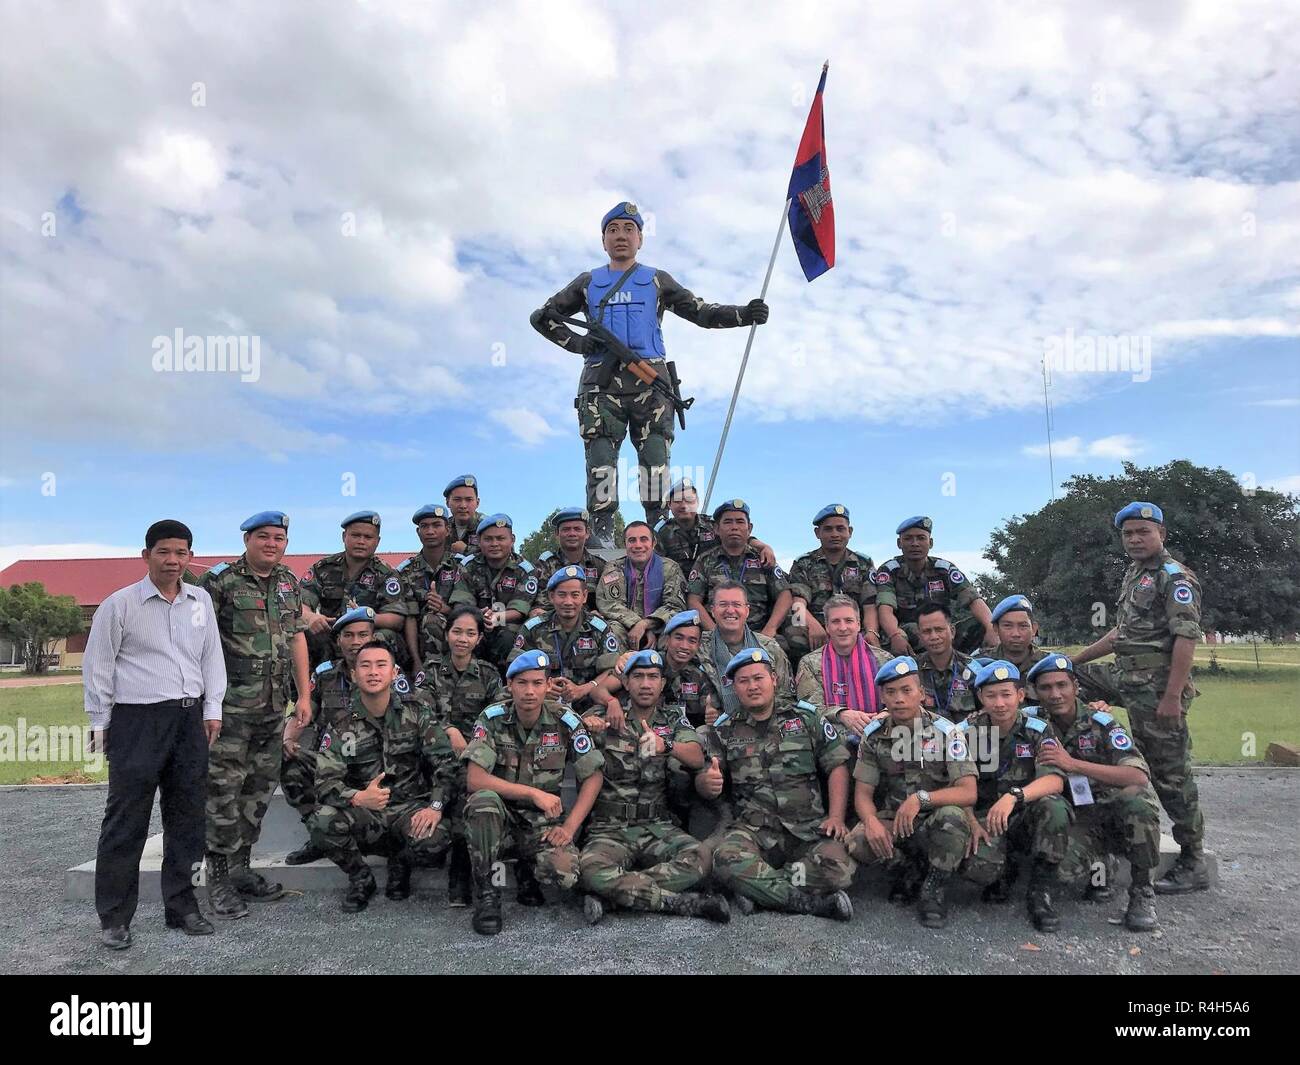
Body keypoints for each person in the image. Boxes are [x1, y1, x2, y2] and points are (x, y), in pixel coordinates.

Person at [529, 201, 770, 545]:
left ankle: (657, 531)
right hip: (600, 388)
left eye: (629, 230)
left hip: (651, 384)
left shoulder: (656, 280)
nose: (621, 237)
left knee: (655, 463)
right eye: (613, 231)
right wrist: (580, 345)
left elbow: (699, 312)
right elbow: (543, 317)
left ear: (640, 238)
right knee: (601, 462)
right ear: (603, 241)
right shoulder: (588, 282)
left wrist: (743, 314)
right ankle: (602, 536)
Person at [83, 519, 226, 948]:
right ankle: (114, 917)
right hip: (136, 721)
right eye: (164, 552)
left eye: (181, 553)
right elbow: (99, 665)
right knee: (126, 820)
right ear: (146, 555)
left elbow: (211, 658)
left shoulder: (200, 602)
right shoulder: (120, 604)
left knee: (187, 819)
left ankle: (181, 907)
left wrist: (212, 708)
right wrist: (99, 722)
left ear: (189, 557)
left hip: (189, 720)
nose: (173, 560)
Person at [1073, 501, 1208, 895]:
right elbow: (1118, 635)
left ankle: (1193, 858)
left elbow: (1186, 638)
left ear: (1161, 534)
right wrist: (1072, 662)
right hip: (1126, 676)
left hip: (1156, 688)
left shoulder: (1174, 577)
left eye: (1142, 532)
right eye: (1128, 533)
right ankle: (1086, 744)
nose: (1134, 539)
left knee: (1170, 773)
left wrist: (1170, 698)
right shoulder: (1135, 574)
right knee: (1060, 681)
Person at [199, 511, 312, 918]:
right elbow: (199, 640)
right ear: (246, 538)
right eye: (263, 536)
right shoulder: (220, 581)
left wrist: (304, 694)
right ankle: (218, 880)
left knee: (258, 790)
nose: (271, 543)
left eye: (279, 537)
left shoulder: (288, 583)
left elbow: (297, 636)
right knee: (222, 792)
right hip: (229, 708)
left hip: (272, 707)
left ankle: (243, 870)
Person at [695, 648, 854, 920]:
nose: (752, 686)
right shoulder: (723, 729)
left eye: (758, 678)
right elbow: (706, 775)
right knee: (725, 859)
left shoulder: (806, 717)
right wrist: (705, 782)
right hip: (754, 831)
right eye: (744, 681)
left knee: (841, 868)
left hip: (807, 828)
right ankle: (807, 904)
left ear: (774, 679)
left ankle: (759, 889)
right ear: (735, 687)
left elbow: (837, 764)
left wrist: (837, 816)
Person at [578, 649, 729, 925]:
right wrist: (585, 727)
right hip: (610, 828)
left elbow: (696, 755)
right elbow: (564, 735)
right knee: (590, 869)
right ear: (625, 682)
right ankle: (679, 903)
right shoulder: (603, 715)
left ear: (661, 684)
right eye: (638, 677)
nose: (645, 684)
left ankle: (614, 896)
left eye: (653, 677)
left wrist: (666, 745)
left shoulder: (672, 718)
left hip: (657, 825)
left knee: (701, 858)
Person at [462, 650, 605, 935]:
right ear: (509, 685)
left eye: (537, 683)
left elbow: (593, 776)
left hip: (541, 824)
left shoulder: (565, 720)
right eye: (522, 683)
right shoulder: (492, 719)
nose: (530, 691)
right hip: (499, 819)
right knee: (483, 802)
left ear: (547, 685)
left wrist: (569, 827)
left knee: (565, 872)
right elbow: (475, 779)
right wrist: (532, 793)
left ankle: (528, 869)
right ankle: (488, 895)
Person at [310, 642, 457, 912]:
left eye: (381, 665)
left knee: (437, 840)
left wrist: (435, 807)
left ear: (395, 673)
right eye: (365, 665)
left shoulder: (416, 713)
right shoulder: (341, 724)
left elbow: (446, 765)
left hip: (410, 808)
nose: (373, 672)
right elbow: (324, 781)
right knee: (322, 821)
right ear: (354, 674)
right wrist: (357, 797)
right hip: (368, 813)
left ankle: (401, 860)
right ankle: (361, 878)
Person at [1027, 655, 1160, 932]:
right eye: (1046, 688)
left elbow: (1138, 776)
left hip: (1112, 811)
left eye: (1062, 685)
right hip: (1076, 818)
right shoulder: (1032, 723)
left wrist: (1072, 764)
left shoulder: (1103, 723)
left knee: (1138, 802)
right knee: (1064, 872)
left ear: (1076, 686)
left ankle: (1142, 893)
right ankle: (1102, 861)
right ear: (1035, 693)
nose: (1055, 694)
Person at [846, 657, 977, 927]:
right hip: (895, 819)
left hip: (934, 819)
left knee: (953, 817)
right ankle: (907, 869)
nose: (899, 699)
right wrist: (871, 822)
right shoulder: (874, 735)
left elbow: (967, 792)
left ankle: (934, 888)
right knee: (857, 841)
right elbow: (863, 794)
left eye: (907, 690)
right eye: (891, 692)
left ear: (921, 693)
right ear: (882, 696)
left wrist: (921, 799)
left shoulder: (947, 732)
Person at [958, 661, 1071, 932]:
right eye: (991, 695)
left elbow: (1054, 780)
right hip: (986, 819)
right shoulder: (963, 733)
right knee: (978, 868)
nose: (999, 703)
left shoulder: (1038, 729)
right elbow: (953, 784)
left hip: (1023, 813)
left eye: (1006, 694)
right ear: (980, 698)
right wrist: (971, 821)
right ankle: (1004, 868)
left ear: (1020, 696)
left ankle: (1040, 892)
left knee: (1054, 807)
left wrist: (1014, 796)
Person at [279, 606, 386, 866]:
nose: (356, 642)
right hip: (331, 764)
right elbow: (305, 712)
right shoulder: (325, 674)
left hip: (374, 766)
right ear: (338, 640)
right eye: (348, 635)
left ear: (373, 638)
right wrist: (289, 738)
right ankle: (319, 834)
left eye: (363, 635)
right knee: (289, 760)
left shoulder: (386, 672)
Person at [416, 605, 504, 906]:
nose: (462, 639)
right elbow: (420, 711)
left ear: (479, 638)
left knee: (469, 774)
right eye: (457, 631)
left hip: (477, 750)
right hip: (437, 748)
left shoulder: (490, 675)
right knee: (451, 769)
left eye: (470, 633)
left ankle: (461, 869)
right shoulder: (429, 672)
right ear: (446, 633)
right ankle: (459, 867)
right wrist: (450, 729)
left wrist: (472, 744)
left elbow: (497, 716)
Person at [299, 511, 416, 669]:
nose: (361, 541)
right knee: (301, 633)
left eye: (368, 537)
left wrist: (365, 617)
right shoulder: (323, 568)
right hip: (332, 634)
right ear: (344, 537)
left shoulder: (386, 574)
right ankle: (312, 685)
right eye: (355, 535)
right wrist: (310, 617)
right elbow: (300, 602)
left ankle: (384, 683)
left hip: (367, 635)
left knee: (387, 636)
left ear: (377, 541)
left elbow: (396, 618)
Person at [507, 566, 624, 712]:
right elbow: (514, 670)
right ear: (551, 596)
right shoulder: (533, 629)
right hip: (543, 704)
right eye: (562, 595)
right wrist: (543, 688)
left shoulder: (599, 629)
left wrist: (584, 688)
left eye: (575, 595)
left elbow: (612, 670)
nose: (568, 602)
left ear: (585, 596)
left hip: (589, 704)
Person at [874, 516, 995, 654]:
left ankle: (978, 666)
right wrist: (895, 635)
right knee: (914, 630)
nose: (915, 543)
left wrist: (991, 628)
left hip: (941, 631)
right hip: (905, 635)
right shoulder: (889, 571)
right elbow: (885, 609)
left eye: (921, 538)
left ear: (930, 543)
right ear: (899, 543)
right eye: (908, 538)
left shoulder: (944, 569)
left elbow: (973, 599)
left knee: (986, 624)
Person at [687, 499, 792, 642]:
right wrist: (713, 632)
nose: (734, 527)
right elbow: (693, 600)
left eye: (740, 522)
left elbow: (784, 595)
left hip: (759, 633)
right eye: (728, 522)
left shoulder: (763, 558)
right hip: (716, 632)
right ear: (716, 529)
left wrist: (770, 629)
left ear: (750, 528)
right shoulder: (705, 560)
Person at [785, 504, 881, 660]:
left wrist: (871, 631)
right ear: (818, 533)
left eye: (840, 529)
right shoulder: (804, 563)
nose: (835, 534)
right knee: (795, 629)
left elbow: (869, 605)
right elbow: (797, 604)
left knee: (877, 641)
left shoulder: (863, 563)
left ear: (850, 532)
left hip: (852, 625)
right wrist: (814, 626)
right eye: (828, 529)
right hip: (817, 625)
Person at [447, 514, 539, 670]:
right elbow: (461, 604)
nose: (494, 544)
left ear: (512, 540)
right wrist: (479, 618)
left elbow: (519, 609)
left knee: (509, 636)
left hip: (507, 623)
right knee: (462, 633)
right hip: (473, 621)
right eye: (488, 539)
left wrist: (496, 618)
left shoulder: (525, 569)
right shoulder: (467, 566)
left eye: (500, 538)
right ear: (479, 541)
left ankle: (507, 682)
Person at [794, 594, 892, 739]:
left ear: (858, 625)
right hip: (833, 743)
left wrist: (885, 714)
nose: (843, 627)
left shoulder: (885, 660)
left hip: (879, 736)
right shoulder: (809, 663)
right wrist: (841, 714)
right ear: (827, 627)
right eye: (835, 622)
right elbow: (809, 708)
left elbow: (901, 700)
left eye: (849, 621)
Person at [697, 581, 793, 716]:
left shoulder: (769, 648)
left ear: (747, 611)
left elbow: (786, 696)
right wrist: (709, 708)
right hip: (721, 724)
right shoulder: (699, 648)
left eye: (737, 605)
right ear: (713, 610)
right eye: (723, 604)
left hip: (768, 722)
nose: (730, 610)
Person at [654, 477, 777, 574]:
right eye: (677, 501)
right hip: (677, 587)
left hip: (712, 584)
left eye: (689, 500)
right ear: (669, 504)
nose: (684, 505)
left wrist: (763, 547)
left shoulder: (712, 525)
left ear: (697, 502)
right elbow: (654, 564)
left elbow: (738, 536)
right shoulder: (662, 531)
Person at [595, 520, 687, 648]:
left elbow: (675, 606)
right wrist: (637, 624)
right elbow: (611, 604)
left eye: (644, 539)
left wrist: (645, 625)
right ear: (625, 544)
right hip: (626, 626)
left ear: (653, 543)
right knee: (612, 631)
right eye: (632, 540)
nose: (638, 545)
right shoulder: (614, 568)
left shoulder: (670, 568)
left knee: (677, 634)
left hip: (659, 626)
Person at [398, 503, 461, 665]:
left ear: (448, 530)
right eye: (424, 526)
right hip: (417, 639)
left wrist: (444, 608)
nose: (430, 531)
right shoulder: (406, 571)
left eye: (437, 525)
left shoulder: (462, 566)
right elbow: (410, 618)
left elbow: (469, 612)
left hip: (459, 634)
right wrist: (417, 662)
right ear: (418, 532)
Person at [532, 507, 604, 614]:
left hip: (590, 626)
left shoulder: (599, 566)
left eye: (577, 529)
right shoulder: (545, 565)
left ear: (587, 533)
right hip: (552, 624)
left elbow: (606, 604)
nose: (572, 534)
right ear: (557, 534)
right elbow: (539, 607)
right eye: (566, 529)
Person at [913, 603, 977, 721]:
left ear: (952, 631)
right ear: (920, 636)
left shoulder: (972, 669)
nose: (934, 636)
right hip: (924, 736)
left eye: (939, 629)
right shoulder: (912, 671)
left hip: (968, 736)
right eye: (927, 631)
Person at [983, 595, 1050, 697]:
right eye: (1008, 626)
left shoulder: (1047, 664)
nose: (1016, 634)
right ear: (996, 629)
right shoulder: (981, 664)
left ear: (1034, 629)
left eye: (1023, 626)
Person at [443, 474, 485, 556]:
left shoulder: (488, 527)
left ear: (477, 503)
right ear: (447, 503)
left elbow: (506, 557)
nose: (463, 505)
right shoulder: (442, 528)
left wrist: (466, 550)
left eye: (469, 500)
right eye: (457, 500)